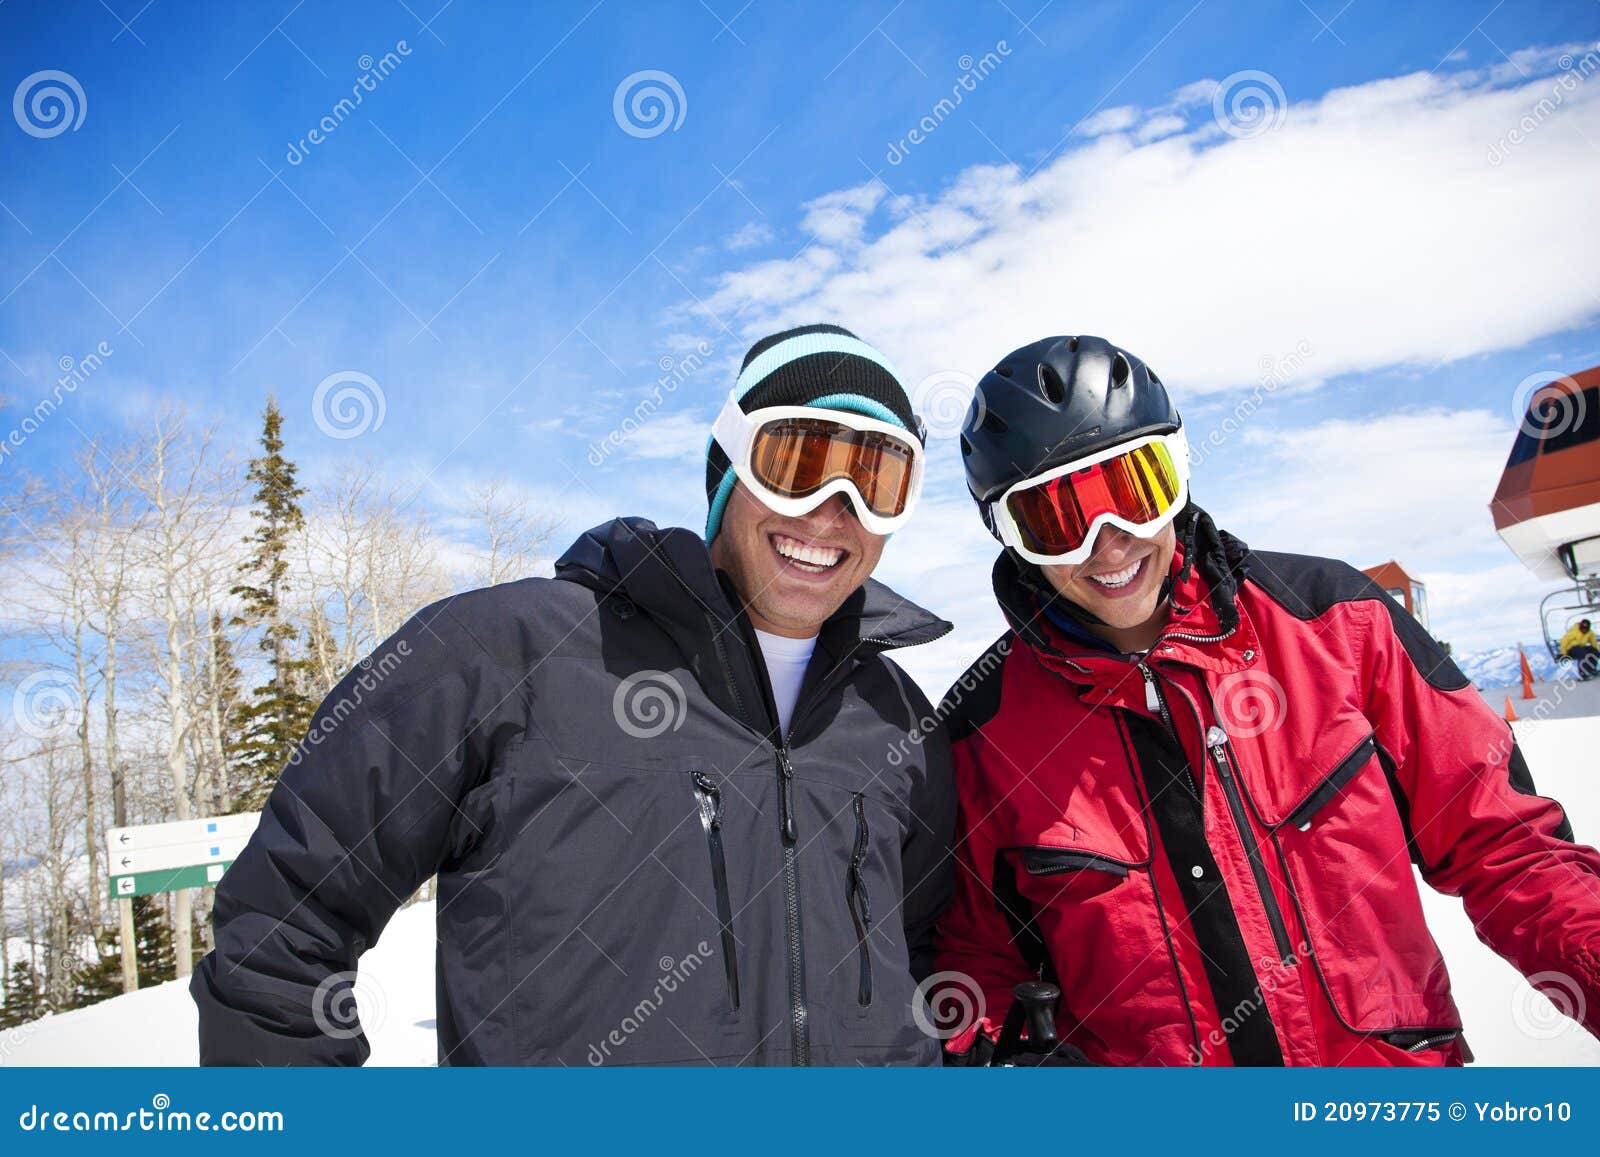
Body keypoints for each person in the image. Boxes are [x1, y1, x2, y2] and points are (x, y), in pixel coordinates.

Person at [193, 324, 956, 1066]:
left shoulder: (901, 724)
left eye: (877, 482)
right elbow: (284, 921)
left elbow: (924, 966)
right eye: (796, 461)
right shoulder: (512, 655)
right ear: (727, 469)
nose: (831, 509)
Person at [934, 335, 1600, 1066]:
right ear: (1007, 536)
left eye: (1134, 488)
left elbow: (1507, 849)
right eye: (1058, 518)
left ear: (1179, 471)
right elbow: (974, 965)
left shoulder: (1336, 624)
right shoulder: (982, 734)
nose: (1110, 543)